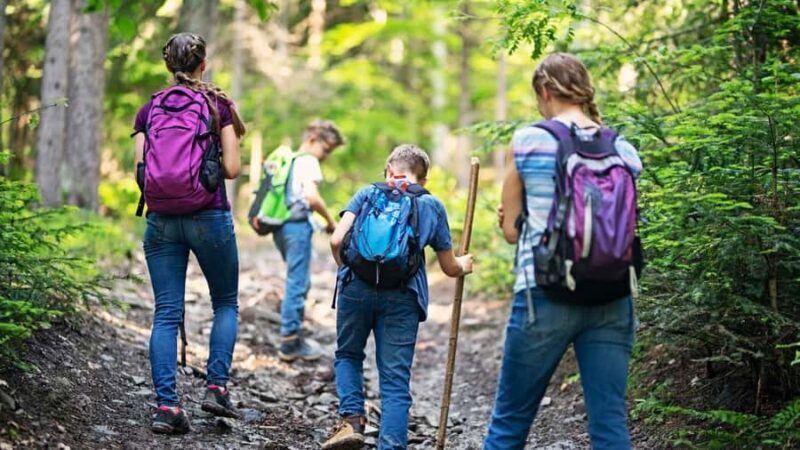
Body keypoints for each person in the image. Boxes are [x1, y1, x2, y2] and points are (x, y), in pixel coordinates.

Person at [484, 53, 643, 449]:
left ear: (545, 90)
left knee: (509, 425)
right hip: (613, 294)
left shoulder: (528, 140)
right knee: (609, 425)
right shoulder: (623, 148)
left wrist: (512, 215)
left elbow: (510, 231)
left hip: (544, 293)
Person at [323, 144, 474, 450]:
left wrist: (349, 271)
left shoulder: (367, 193)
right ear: (424, 179)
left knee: (349, 354)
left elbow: (336, 239)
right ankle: (391, 445)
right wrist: (464, 265)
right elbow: (448, 267)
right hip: (403, 296)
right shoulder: (431, 204)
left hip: (356, 288)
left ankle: (352, 422)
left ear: (389, 169)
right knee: (394, 378)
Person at [132, 33, 246, 434]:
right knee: (225, 303)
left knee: (165, 313)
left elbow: (141, 172)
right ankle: (216, 387)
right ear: (203, 64)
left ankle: (167, 408)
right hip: (209, 216)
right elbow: (231, 170)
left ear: (168, 65)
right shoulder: (219, 106)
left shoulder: (150, 108)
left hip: (160, 220)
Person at [274, 120, 344, 362]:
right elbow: (312, 198)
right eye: (326, 150)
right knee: (298, 282)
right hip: (297, 227)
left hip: (282, 226)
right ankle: (289, 342)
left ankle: (292, 334)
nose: (326, 156)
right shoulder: (308, 161)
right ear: (313, 139)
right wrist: (331, 221)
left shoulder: (291, 160)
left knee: (297, 280)